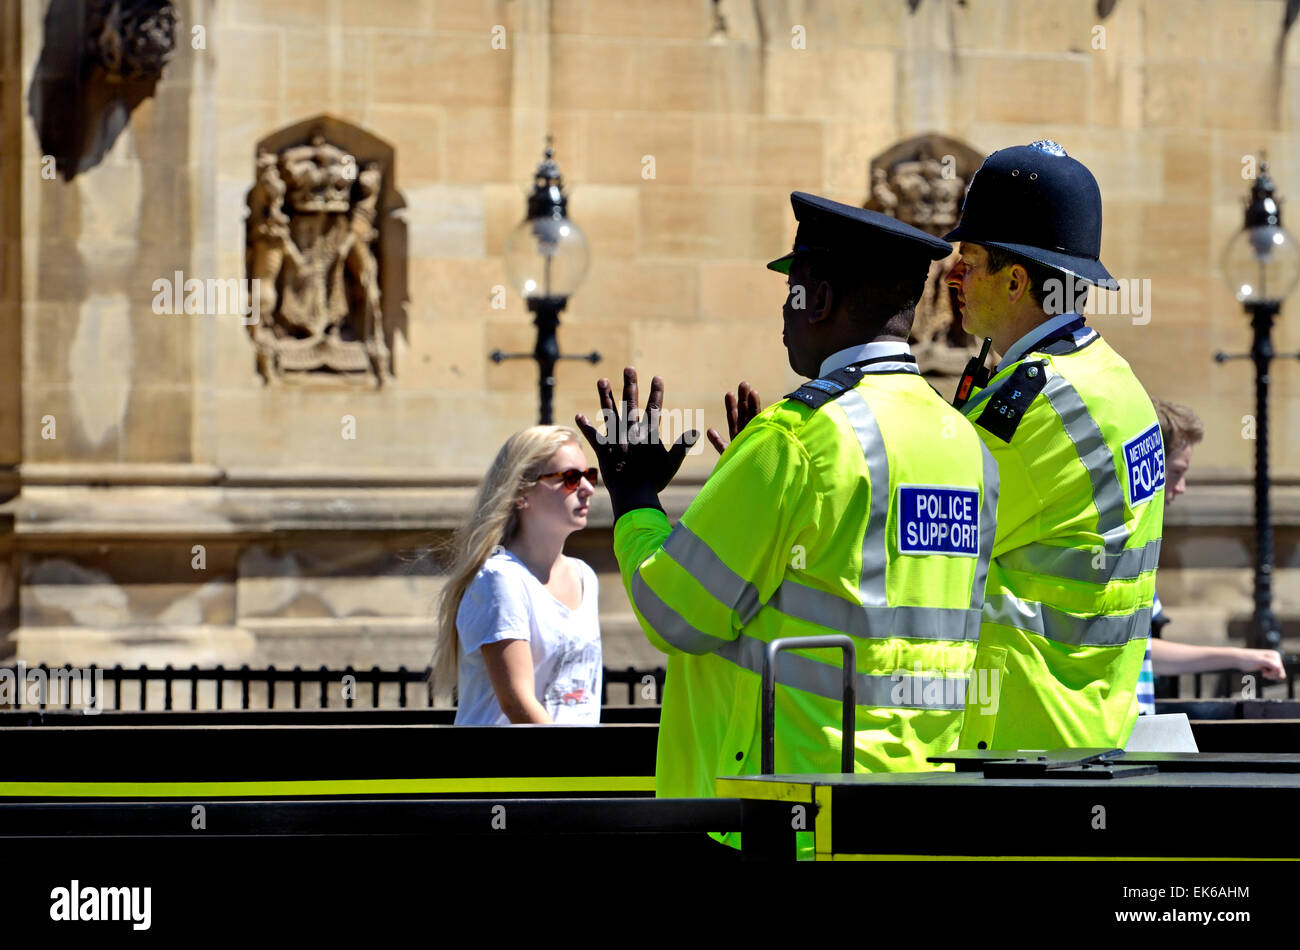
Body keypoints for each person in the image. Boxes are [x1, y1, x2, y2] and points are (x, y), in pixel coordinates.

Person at [575, 192, 999, 852]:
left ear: (821, 299)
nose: (783, 318)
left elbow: (675, 610)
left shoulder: (798, 439)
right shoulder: (963, 442)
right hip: (916, 808)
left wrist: (633, 499)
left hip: (786, 816)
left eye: (791, 294)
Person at [942, 139, 1164, 751]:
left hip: (1019, 741)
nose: (953, 274)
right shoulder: (1117, 380)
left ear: (1015, 280)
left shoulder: (1034, 408)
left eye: (970, 257)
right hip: (1089, 724)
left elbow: (916, 542)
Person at [430, 426, 603, 725]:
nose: (587, 487)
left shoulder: (585, 577)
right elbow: (517, 702)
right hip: (508, 769)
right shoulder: (500, 579)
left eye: (589, 475)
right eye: (571, 479)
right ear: (522, 493)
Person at [1135, 400, 1286, 714]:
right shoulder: (1119, 545)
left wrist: (1239, 658)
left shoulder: (1141, 545)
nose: (1183, 487)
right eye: (1176, 472)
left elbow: (1142, 653)